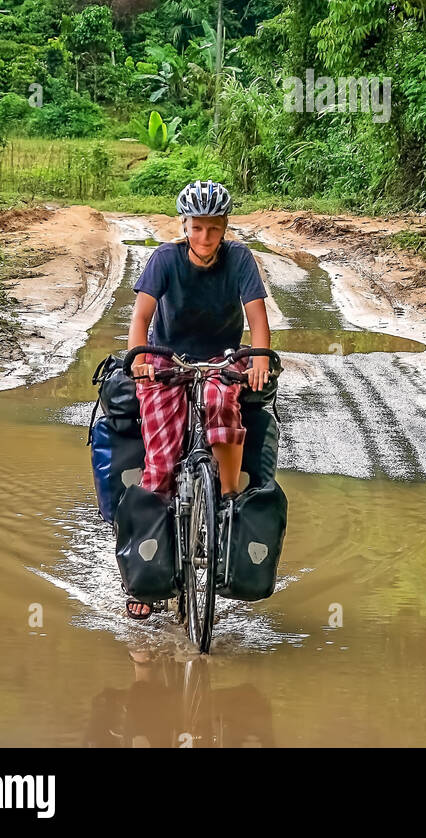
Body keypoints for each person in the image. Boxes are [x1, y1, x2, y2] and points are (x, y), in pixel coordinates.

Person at [125, 179, 275, 619]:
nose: (205, 238)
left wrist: (261, 357)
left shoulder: (240, 260)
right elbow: (141, 315)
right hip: (164, 359)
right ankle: (145, 579)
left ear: (225, 227)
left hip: (219, 359)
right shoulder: (164, 259)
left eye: (213, 228)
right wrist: (140, 357)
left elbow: (257, 319)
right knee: (161, 461)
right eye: (197, 228)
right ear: (184, 226)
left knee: (222, 404)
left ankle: (227, 501)